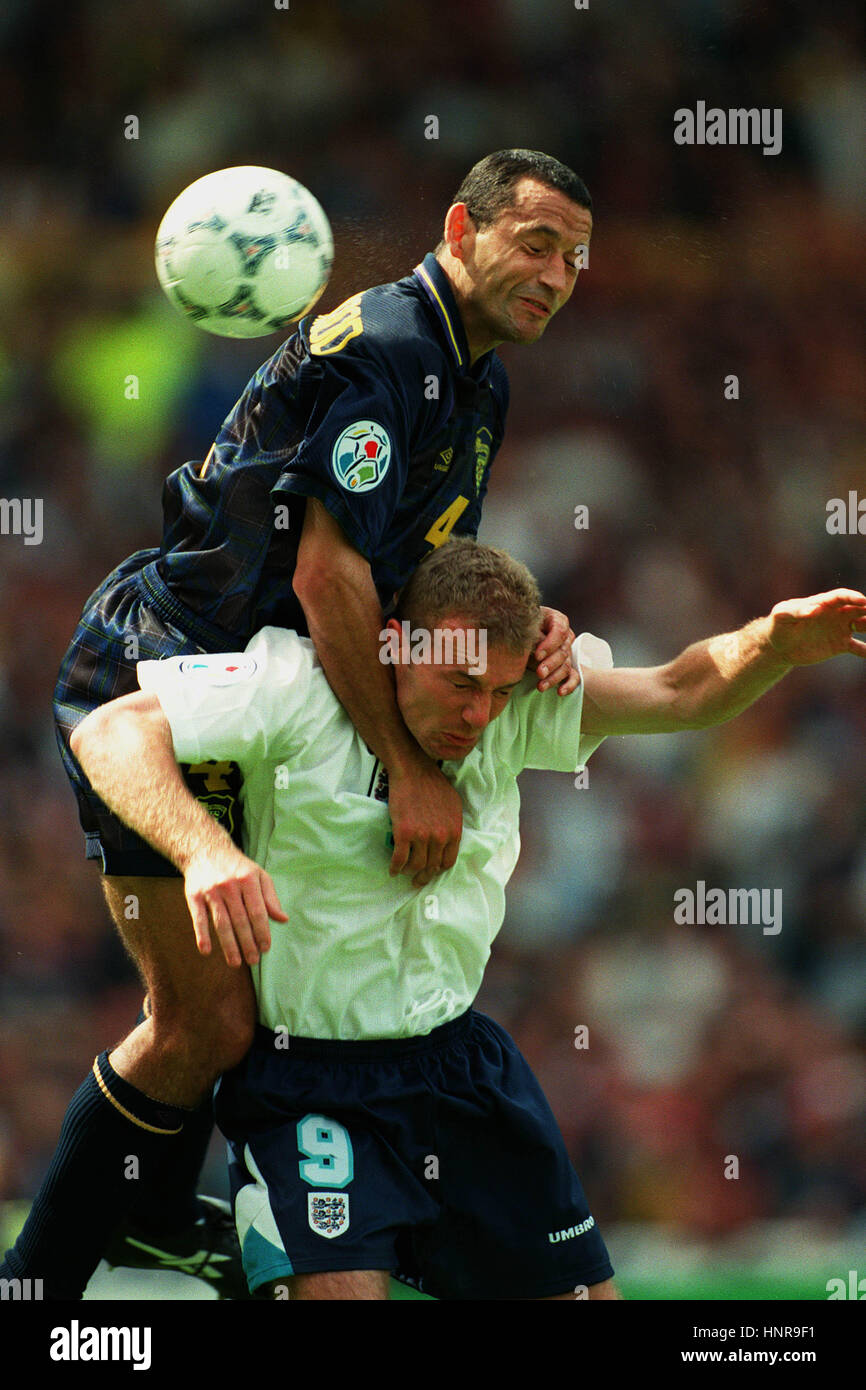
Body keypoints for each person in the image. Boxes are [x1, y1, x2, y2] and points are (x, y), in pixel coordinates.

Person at [1, 150, 593, 1299]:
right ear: (460, 226)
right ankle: (39, 1285)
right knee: (203, 1020)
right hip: (167, 668)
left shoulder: (479, 384)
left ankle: (170, 1217)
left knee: (241, 1014)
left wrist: (534, 621)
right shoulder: (391, 345)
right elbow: (329, 579)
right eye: (535, 242)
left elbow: (419, 576)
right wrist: (402, 769)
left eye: (575, 258)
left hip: (263, 687)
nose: (557, 274)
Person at [65, 538, 866, 1299]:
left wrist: (774, 644)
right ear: (396, 644)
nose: (480, 715)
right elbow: (110, 732)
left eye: (498, 691)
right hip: (308, 1090)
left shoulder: (511, 703)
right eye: (460, 685)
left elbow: (679, 690)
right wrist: (204, 851)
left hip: (462, 1074)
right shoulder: (293, 686)